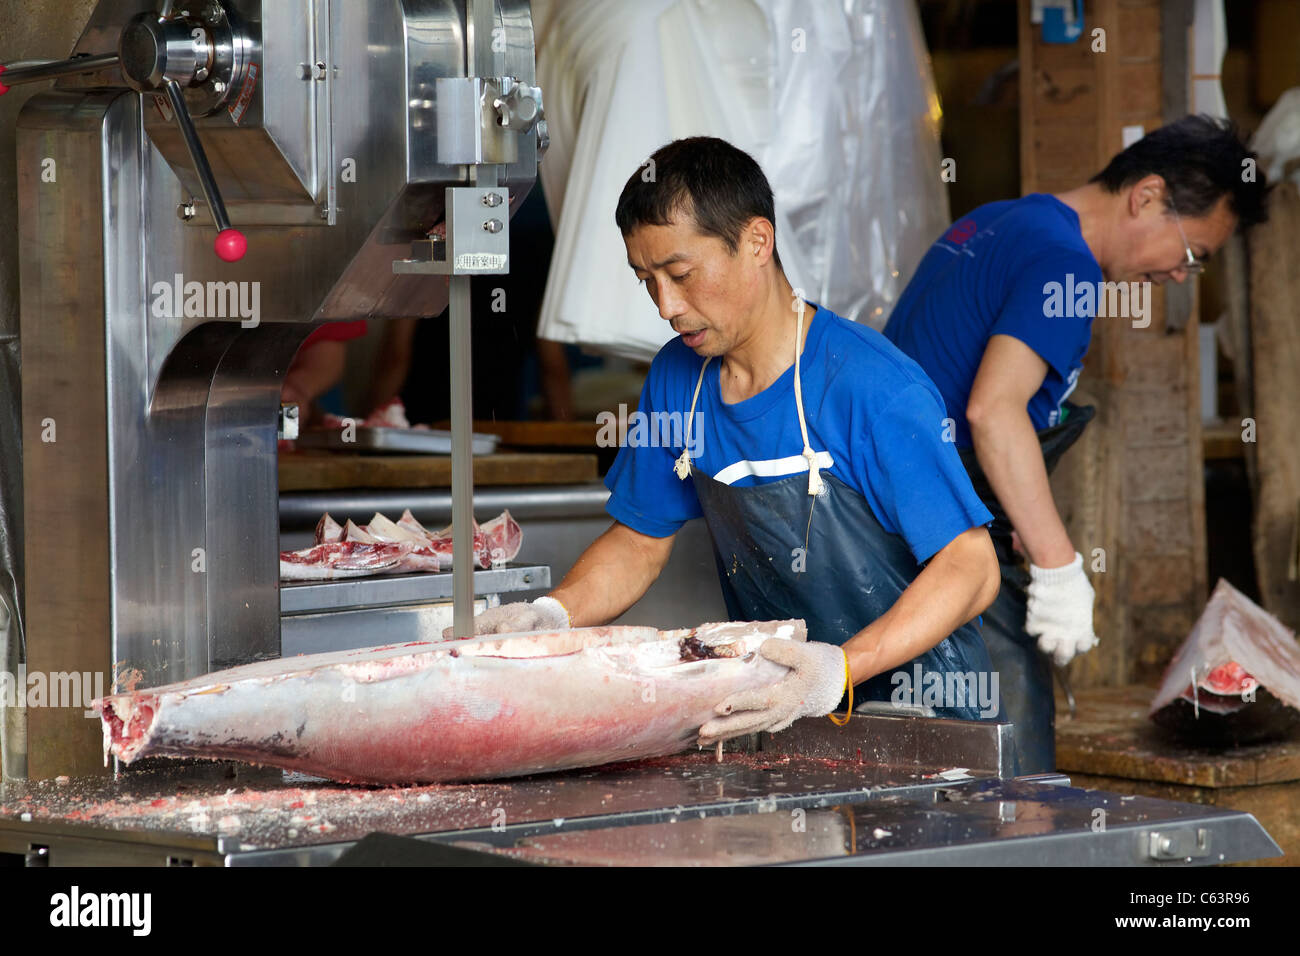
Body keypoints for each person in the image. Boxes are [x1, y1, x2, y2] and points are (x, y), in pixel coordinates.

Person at [453, 137, 1001, 743]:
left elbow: (971, 567)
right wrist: (553, 614)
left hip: (924, 718)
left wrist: (838, 670)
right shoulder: (678, 378)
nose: (666, 306)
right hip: (778, 711)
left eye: (681, 274)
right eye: (647, 281)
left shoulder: (869, 385)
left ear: (757, 242)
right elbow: (639, 542)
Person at [883, 115, 1270, 773]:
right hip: (927, 548)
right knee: (1008, 776)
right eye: (1193, 252)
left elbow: (935, 382)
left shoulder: (999, 221)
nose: (1183, 275)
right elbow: (994, 412)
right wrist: (1060, 568)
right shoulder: (1065, 265)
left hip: (901, 519)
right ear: (1146, 196)